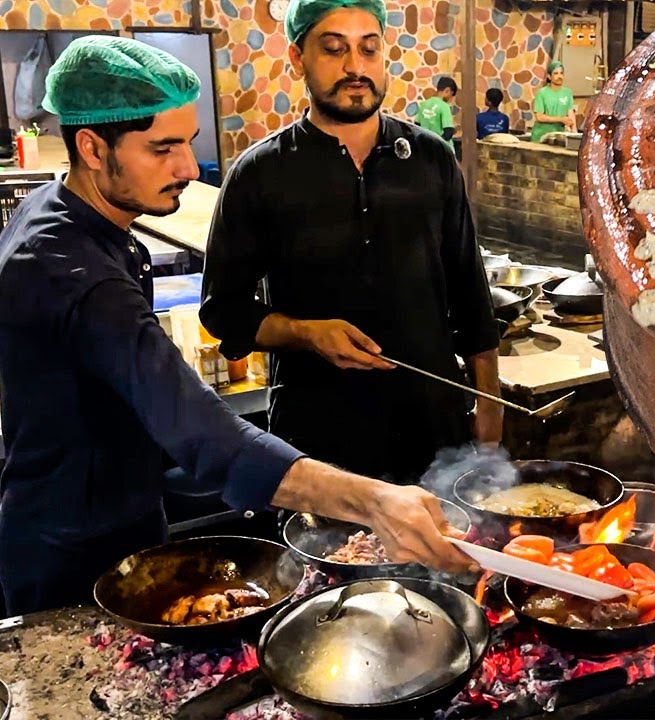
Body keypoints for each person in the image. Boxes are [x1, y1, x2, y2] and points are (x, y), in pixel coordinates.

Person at [0, 36, 472, 615]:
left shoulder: (64, 209)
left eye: (188, 143)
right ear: (93, 148)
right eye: (162, 148)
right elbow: (201, 434)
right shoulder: (73, 273)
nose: (187, 167)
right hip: (70, 546)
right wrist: (374, 502)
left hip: (115, 505)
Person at [200, 0, 502, 486]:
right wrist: (306, 333)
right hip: (318, 440)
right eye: (334, 49)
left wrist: (488, 400)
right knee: (328, 562)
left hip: (435, 436)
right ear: (298, 59)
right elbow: (223, 312)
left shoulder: (431, 159)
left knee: (447, 561)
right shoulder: (260, 174)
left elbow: (471, 292)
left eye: (369, 48)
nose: (355, 67)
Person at [530, 60, 576, 143]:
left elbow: (571, 114)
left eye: (561, 73)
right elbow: (539, 117)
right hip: (541, 137)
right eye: (556, 73)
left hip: (558, 137)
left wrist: (575, 135)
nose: (559, 76)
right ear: (549, 76)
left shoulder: (567, 92)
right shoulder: (542, 93)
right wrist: (561, 119)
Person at [417, 76, 457, 146]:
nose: (450, 100)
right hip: (441, 149)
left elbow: (417, 125)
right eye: (451, 95)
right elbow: (448, 132)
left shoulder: (423, 104)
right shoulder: (444, 106)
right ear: (447, 91)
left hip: (426, 146)